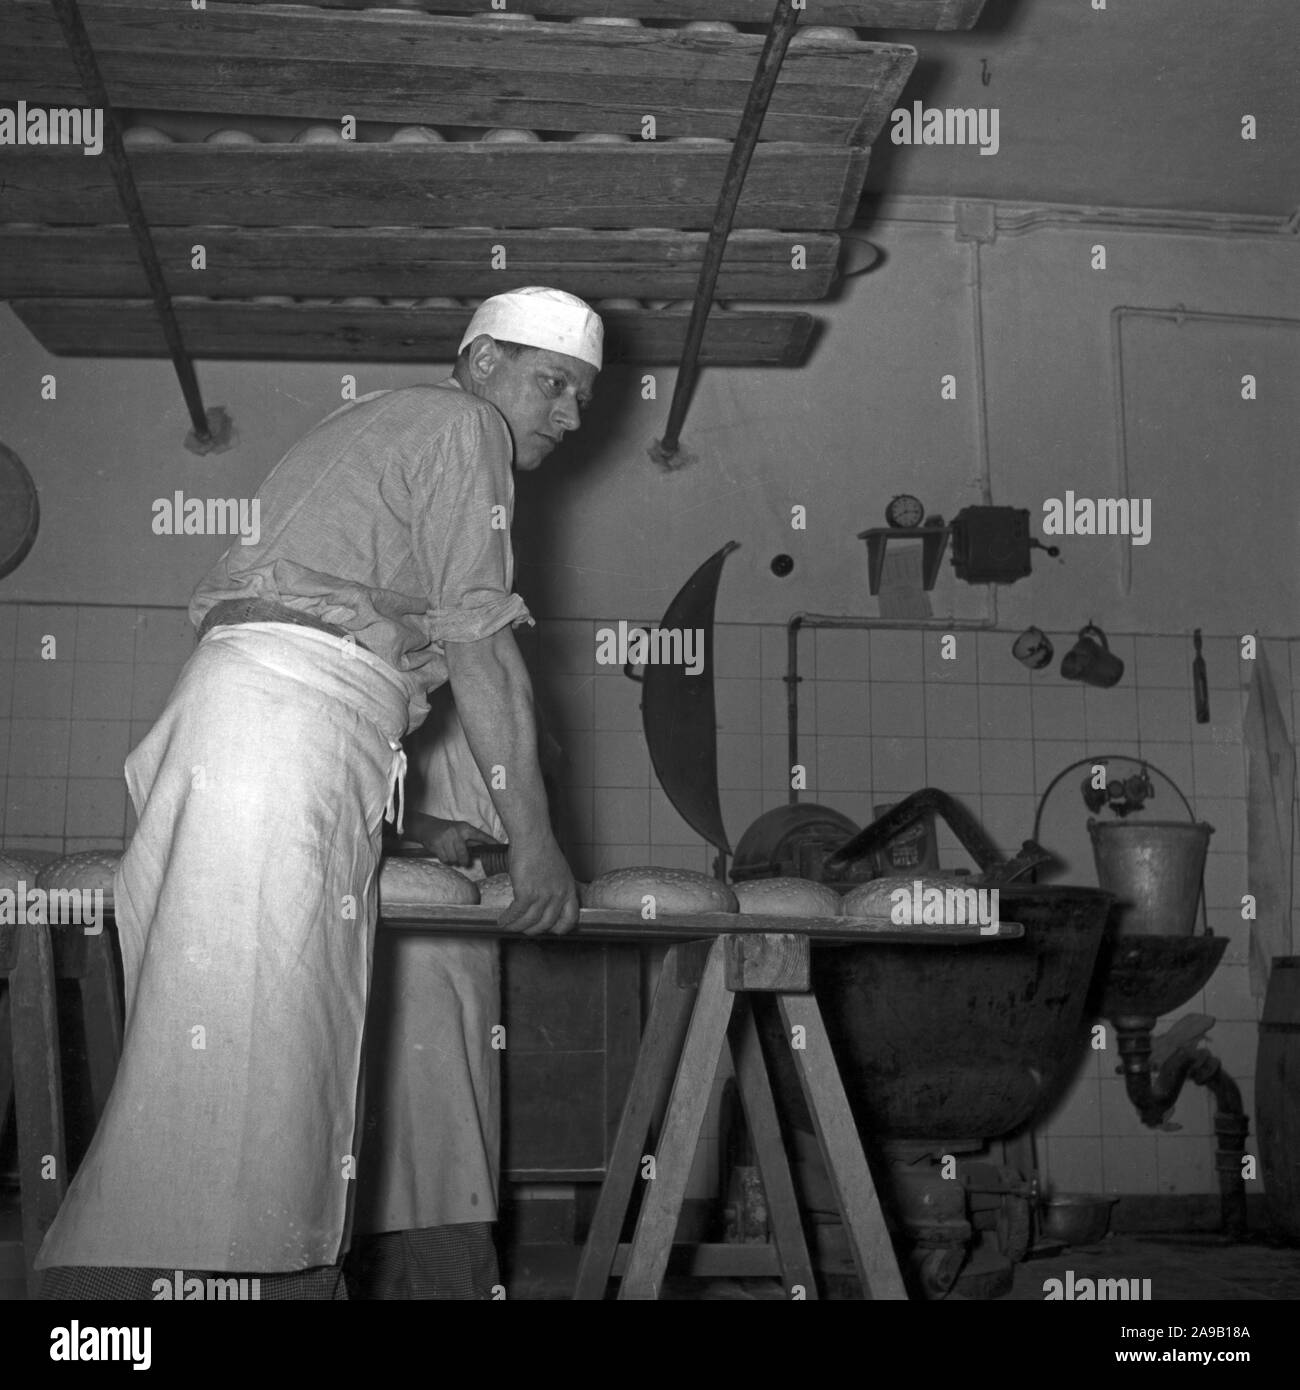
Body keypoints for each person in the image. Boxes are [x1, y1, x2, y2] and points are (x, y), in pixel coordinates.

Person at [36, 287, 602, 1299]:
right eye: (553, 382)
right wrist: (537, 843)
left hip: (248, 718)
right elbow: (484, 655)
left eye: (582, 396)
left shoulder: (377, 426)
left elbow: (340, 616)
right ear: (479, 363)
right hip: (281, 725)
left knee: (208, 1067)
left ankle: (129, 1301)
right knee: (257, 1096)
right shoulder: (465, 425)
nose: (569, 415)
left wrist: (415, 825)